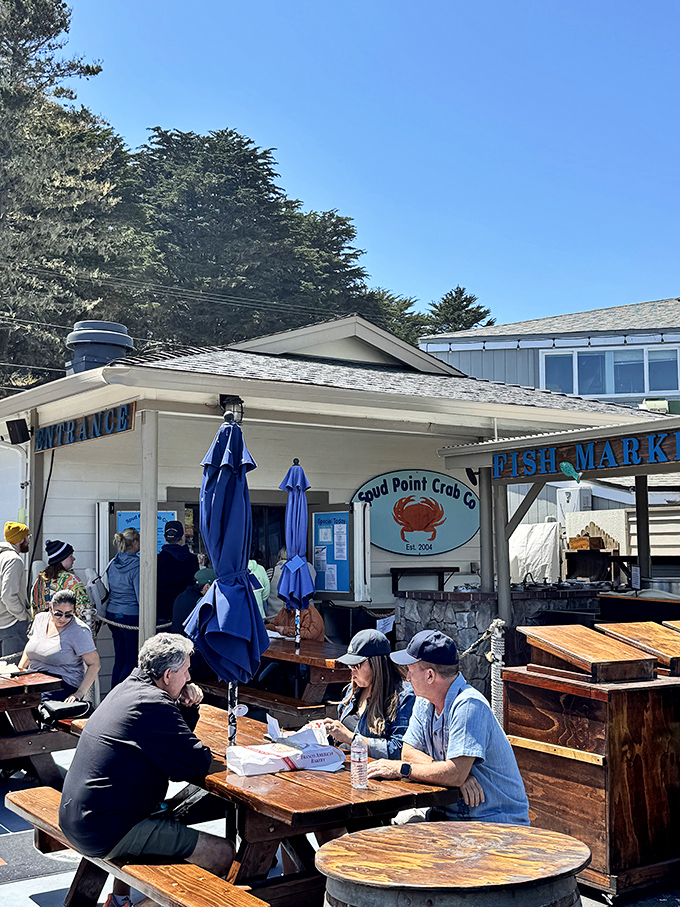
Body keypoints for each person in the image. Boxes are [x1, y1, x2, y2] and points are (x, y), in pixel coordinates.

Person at [59, 633, 234, 907]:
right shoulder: (152, 704)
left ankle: (119, 900)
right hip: (105, 829)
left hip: (80, 817)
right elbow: (195, 762)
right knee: (223, 853)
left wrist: (184, 707)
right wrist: (191, 707)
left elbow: (174, 751)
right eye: (186, 671)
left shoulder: (127, 687)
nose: (189, 678)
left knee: (168, 816)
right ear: (168, 675)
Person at [367, 629, 529, 825]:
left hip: (494, 822)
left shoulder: (468, 705)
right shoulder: (424, 701)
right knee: (387, 831)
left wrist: (403, 769)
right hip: (449, 818)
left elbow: (451, 773)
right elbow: (408, 752)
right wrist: (449, 773)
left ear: (430, 676)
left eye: (410, 670)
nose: (407, 678)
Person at [322, 629, 415, 759]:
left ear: (377, 664)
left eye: (356, 665)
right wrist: (324, 731)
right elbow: (341, 738)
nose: (352, 671)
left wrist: (352, 738)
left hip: (372, 769)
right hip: (344, 764)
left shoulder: (404, 697)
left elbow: (400, 750)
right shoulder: (354, 689)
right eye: (350, 665)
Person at [18, 589, 100, 702]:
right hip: (34, 678)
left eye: (68, 615)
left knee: (29, 702)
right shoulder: (40, 619)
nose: (62, 618)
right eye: (58, 614)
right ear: (50, 608)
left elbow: (95, 664)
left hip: (62, 683)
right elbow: (30, 646)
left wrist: (79, 693)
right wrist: (19, 671)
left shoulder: (79, 631)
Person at [106, 528, 141, 688]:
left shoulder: (113, 562)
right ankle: (122, 694)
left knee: (119, 658)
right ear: (134, 542)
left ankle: (113, 693)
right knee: (131, 660)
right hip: (130, 615)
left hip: (112, 613)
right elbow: (140, 596)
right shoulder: (137, 565)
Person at [31, 539, 90, 620]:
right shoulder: (71, 580)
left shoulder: (39, 581)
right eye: (70, 556)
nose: (74, 559)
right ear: (62, 558)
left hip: (43, 625)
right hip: (67, 626)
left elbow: (34, 608)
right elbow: (85, 611)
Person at [157, 521, 199, 624]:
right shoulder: (192, 560)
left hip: (163, 611)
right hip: (187, 611)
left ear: (165, 538)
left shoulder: (157, 560)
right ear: (182, 537)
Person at [0, 521, 31, 657]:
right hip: (11, 624)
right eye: (27, 537)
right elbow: (8, 595)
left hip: (2, 622)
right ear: (21, 539)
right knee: (13, 668)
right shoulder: (14, 559)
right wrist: (22, 616)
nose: (28, 541)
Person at [266, 546, 316, 621]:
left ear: (280, 557)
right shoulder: (309, 568)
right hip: (306, 618)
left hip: (275, 618)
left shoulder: (272, 572)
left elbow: (264, 594)